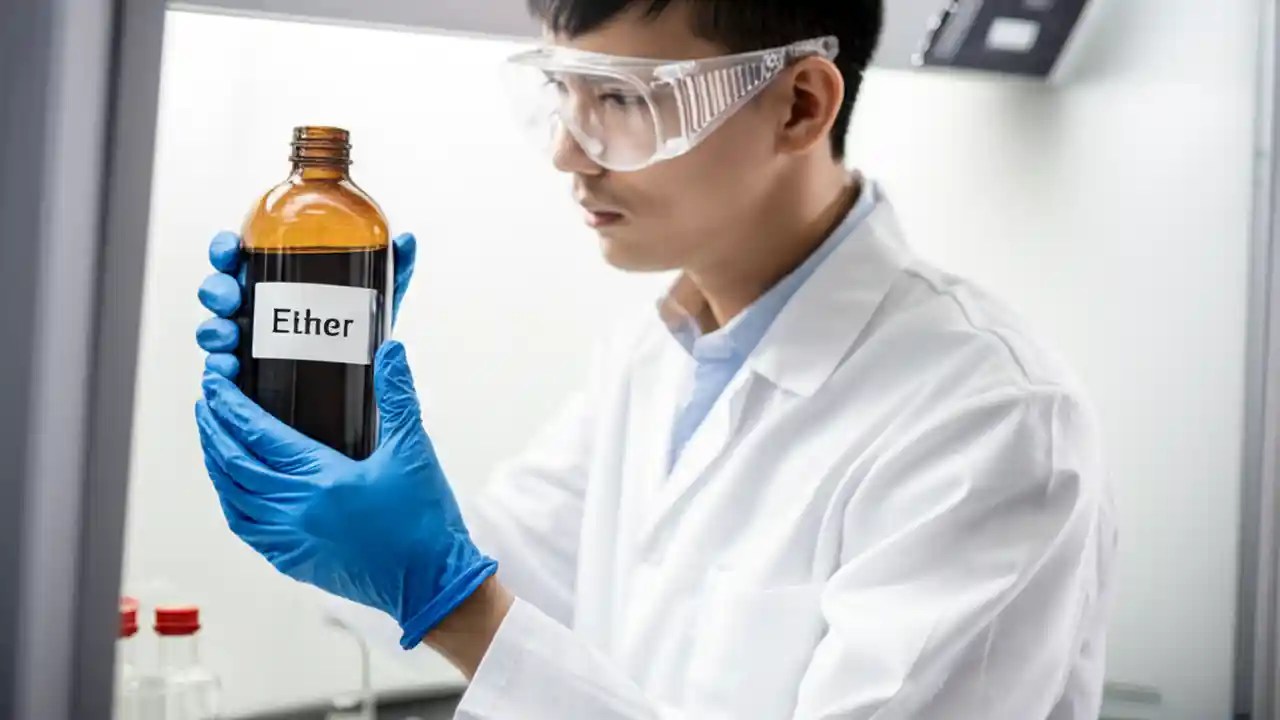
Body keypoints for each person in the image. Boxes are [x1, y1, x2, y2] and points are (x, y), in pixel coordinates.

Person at [193, 0, 1117, 717]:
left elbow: (464, 597)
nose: (569, 153)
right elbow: (500, 571)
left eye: (623, 99)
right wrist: (328, 410)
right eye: (563, 93)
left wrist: (446, 599)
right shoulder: (659, 352)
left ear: (799, 105)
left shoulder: (991, 422)